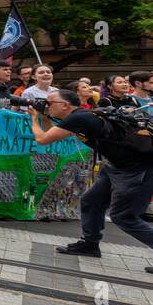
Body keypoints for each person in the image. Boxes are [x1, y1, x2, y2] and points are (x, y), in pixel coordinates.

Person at [31, 90, 153, 264]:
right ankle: (89, 244)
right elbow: (53, 133)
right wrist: (45, 116)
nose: (45, 105)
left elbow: (42, 139)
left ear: (65, 105)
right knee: (92, 201)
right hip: (117, 167)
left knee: (124, 217)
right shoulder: (81, 116)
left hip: (138, 170)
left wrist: (34, 118)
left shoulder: (79, 118)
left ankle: (90, 243)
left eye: (49, 103)